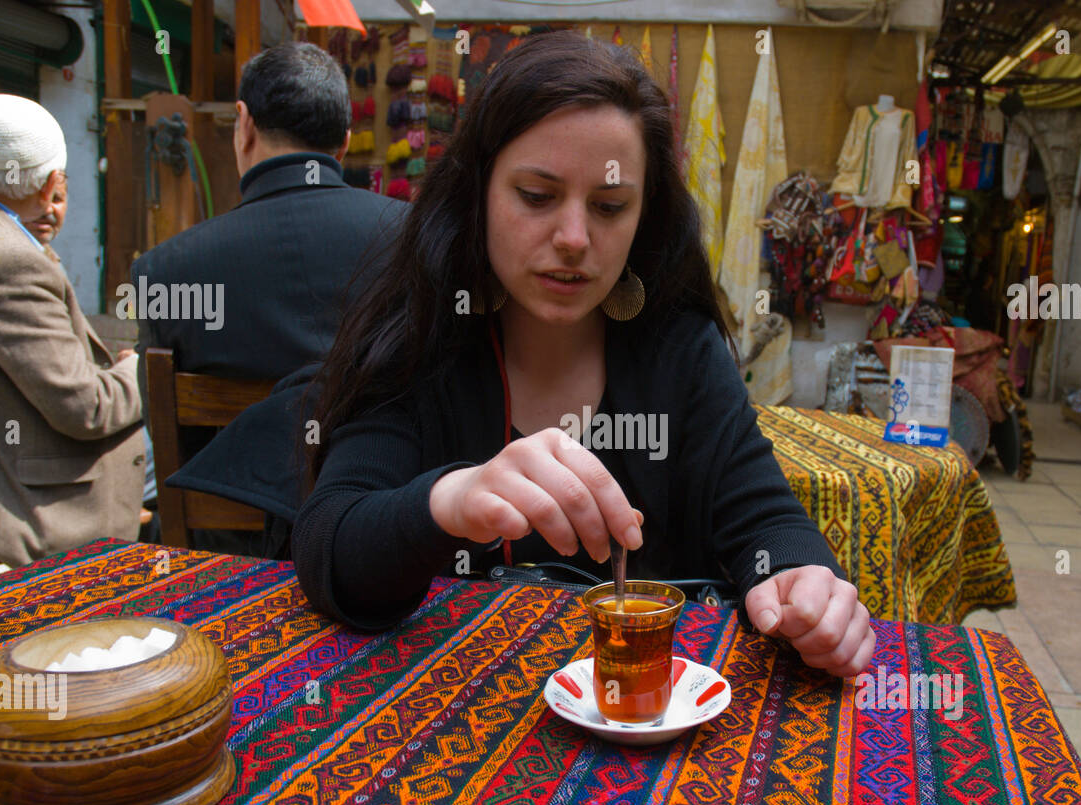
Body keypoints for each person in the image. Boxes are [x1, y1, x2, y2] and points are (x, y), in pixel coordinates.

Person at [293, 32, 874, 678]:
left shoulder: (680, 348)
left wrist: (803, 581)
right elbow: (329, 546)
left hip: (654, 744)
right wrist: (452, 499)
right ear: (479, 191)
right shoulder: (428, 337)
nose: (573, 239)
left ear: (644, 214)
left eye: (608, 206)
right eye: (537, 197)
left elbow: (763, 518)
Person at [132, 42, 408, 556]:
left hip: (224, 561)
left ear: (245, 124)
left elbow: (162, 432)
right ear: (345, 143)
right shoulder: (413, 241)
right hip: (384, 549)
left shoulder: (165, 272)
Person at [0, 94, 145, 567]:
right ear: (49, 185)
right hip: (52, 514)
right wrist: (139, 372)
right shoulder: (6, 259)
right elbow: (85, 408)